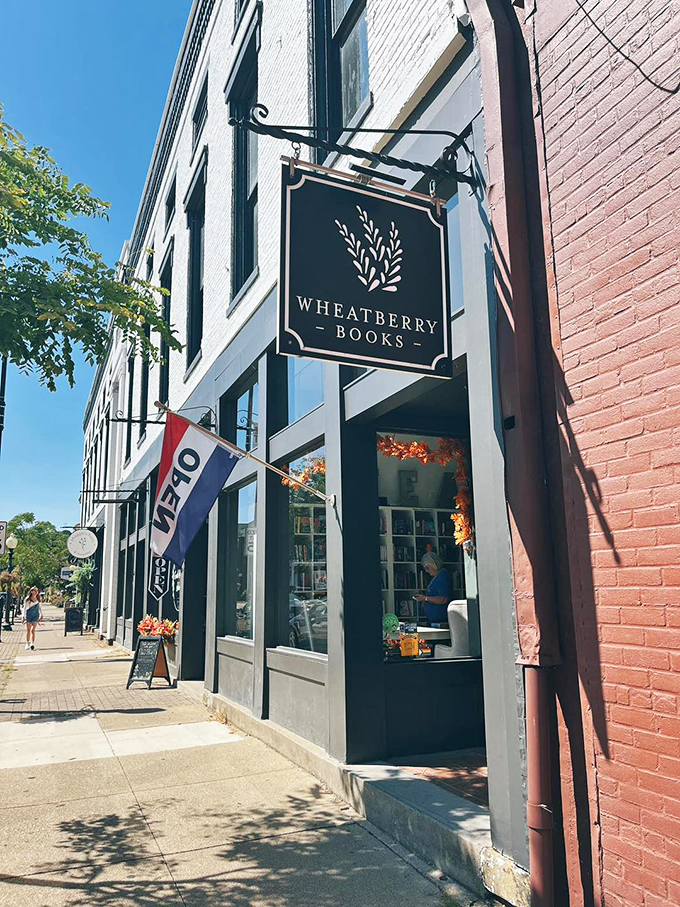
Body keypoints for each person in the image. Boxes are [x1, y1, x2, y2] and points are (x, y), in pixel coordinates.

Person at [414, 552, 453, 624]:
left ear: (434, 565)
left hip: (441, 619)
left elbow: (443, 599)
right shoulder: (437, 576)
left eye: (428, 568)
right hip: (435, 619)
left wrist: (425, 598)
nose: (426, 571)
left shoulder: (442, 576)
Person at [23, 586, 42, 650]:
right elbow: (25, 608)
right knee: (28, 630)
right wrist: (23, 616)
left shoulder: (38, 598)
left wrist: (41, 614)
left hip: (35, 615)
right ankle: (27, 643)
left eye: (37, 591)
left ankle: (32, 643)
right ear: (31, 591)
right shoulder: (27, 599)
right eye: (35, 590)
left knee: (33, 630)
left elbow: (40, 607)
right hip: (29, 615)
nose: (36, 592)